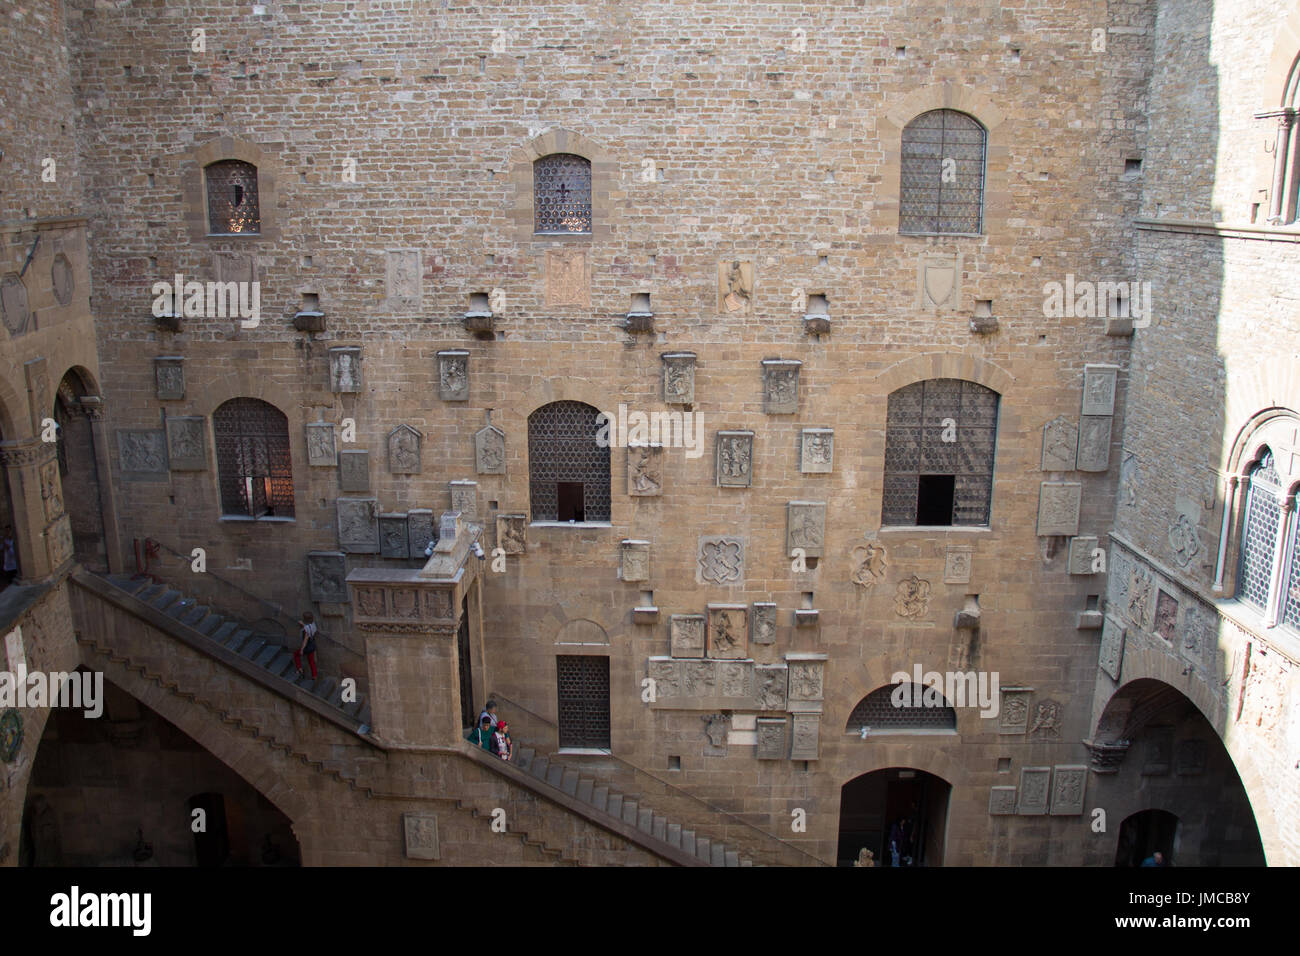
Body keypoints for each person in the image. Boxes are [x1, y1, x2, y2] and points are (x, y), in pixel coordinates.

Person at [295, 611, 319, 680]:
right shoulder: (314, 625)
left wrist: (302, 649)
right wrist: (303, 625)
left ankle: (300, 669)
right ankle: (314, 676)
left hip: (307, 647)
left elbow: (305, 640)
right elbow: (309, 628)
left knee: (296, 654)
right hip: (312, 646)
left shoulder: (306, 629)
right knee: (311, 661)